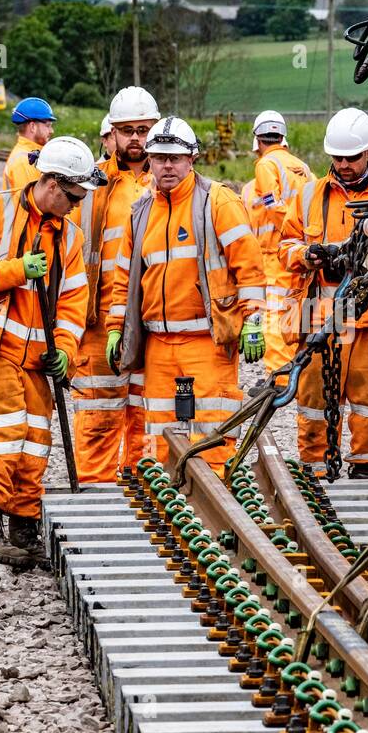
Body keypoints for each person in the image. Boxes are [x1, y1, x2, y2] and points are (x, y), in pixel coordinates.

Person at [0, 136, 104, 565]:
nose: (76, 205)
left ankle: (24, 525)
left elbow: (72, 302)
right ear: (51, 184)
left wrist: (66, 350)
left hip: (35, 359)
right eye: (72, 196)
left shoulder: (68, 238)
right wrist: (16, 270)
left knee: (34, 441)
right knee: (3, 434)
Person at [105, 117, 265, 474]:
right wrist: (116, 326)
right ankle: (174, 514)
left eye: (175, 158)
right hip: (158, 345)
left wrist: (254, 318)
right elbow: (123, 280)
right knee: (162, 439)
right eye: (159, 157)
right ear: (149, 159)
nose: (166, 166)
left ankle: (216, 507)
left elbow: (249, 267)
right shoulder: (141, 213)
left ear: (192, 159)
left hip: (206, 341)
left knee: (212, 435)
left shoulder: (217, 202)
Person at [279, 108, 368, 479]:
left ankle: (366, 471)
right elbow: (285, 245)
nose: (343, 165)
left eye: (351, 158)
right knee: (313, 399)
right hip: (320, 310)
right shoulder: (310, 194)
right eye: (337, 157)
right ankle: (314, 471)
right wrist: (307, 255)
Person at [71, 87, 158, 483]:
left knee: (145, 414)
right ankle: (95, 493)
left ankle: (139, 492)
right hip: (98, 319)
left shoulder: (170, 179)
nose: (136, 138)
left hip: (154, 321)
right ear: (113, 134)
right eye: (128, 130)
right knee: (98, 415)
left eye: (143, 129)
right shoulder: (91, 184)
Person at [250, 110, 313, 377]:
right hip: (301, 254)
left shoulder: (266, 164)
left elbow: (271, 203)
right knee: (296, 314)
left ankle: (279, 376)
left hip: (276, 254)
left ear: (258, 141)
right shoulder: (303, 166)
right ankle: (301, 374)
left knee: (275, 319)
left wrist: (289, 231)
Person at [3, 97, 55, 192]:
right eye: (48, 126)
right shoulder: (24, 162)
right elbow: (31, 204)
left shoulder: (31, 155)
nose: (52, 131)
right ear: (32, 127)